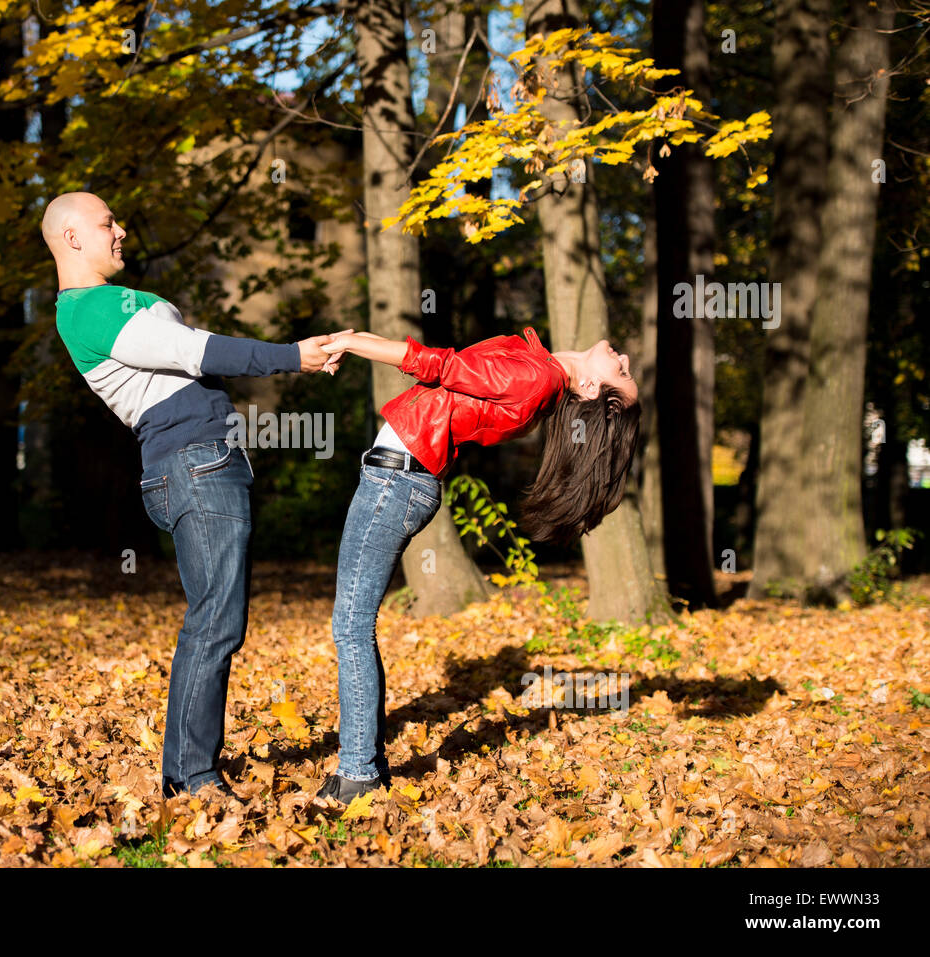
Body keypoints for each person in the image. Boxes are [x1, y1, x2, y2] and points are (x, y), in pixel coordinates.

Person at [42, 192, 346, 800]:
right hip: (193, 464)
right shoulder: (84, 310)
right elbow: (193, 348)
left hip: (203, 462)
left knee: (218, 618)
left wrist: (164, 313)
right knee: (215, 621)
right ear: (73, 238)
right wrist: (294, 357)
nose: (121, 230)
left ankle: (190, 771)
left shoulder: (113, 303)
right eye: (108, 224)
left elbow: (177, 329)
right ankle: (191, 778)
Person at [311, 328, 641, 803]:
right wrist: (352, 339)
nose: (624, 356)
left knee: (352, 626)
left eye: (622, 372)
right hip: (393, 481)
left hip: (393, 486)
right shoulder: (536, 367)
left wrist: (354, 343)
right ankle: (366, 766)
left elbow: (439, 365)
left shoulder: (534, 378)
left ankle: (358, 773)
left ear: (590, 389)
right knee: (353, 625)